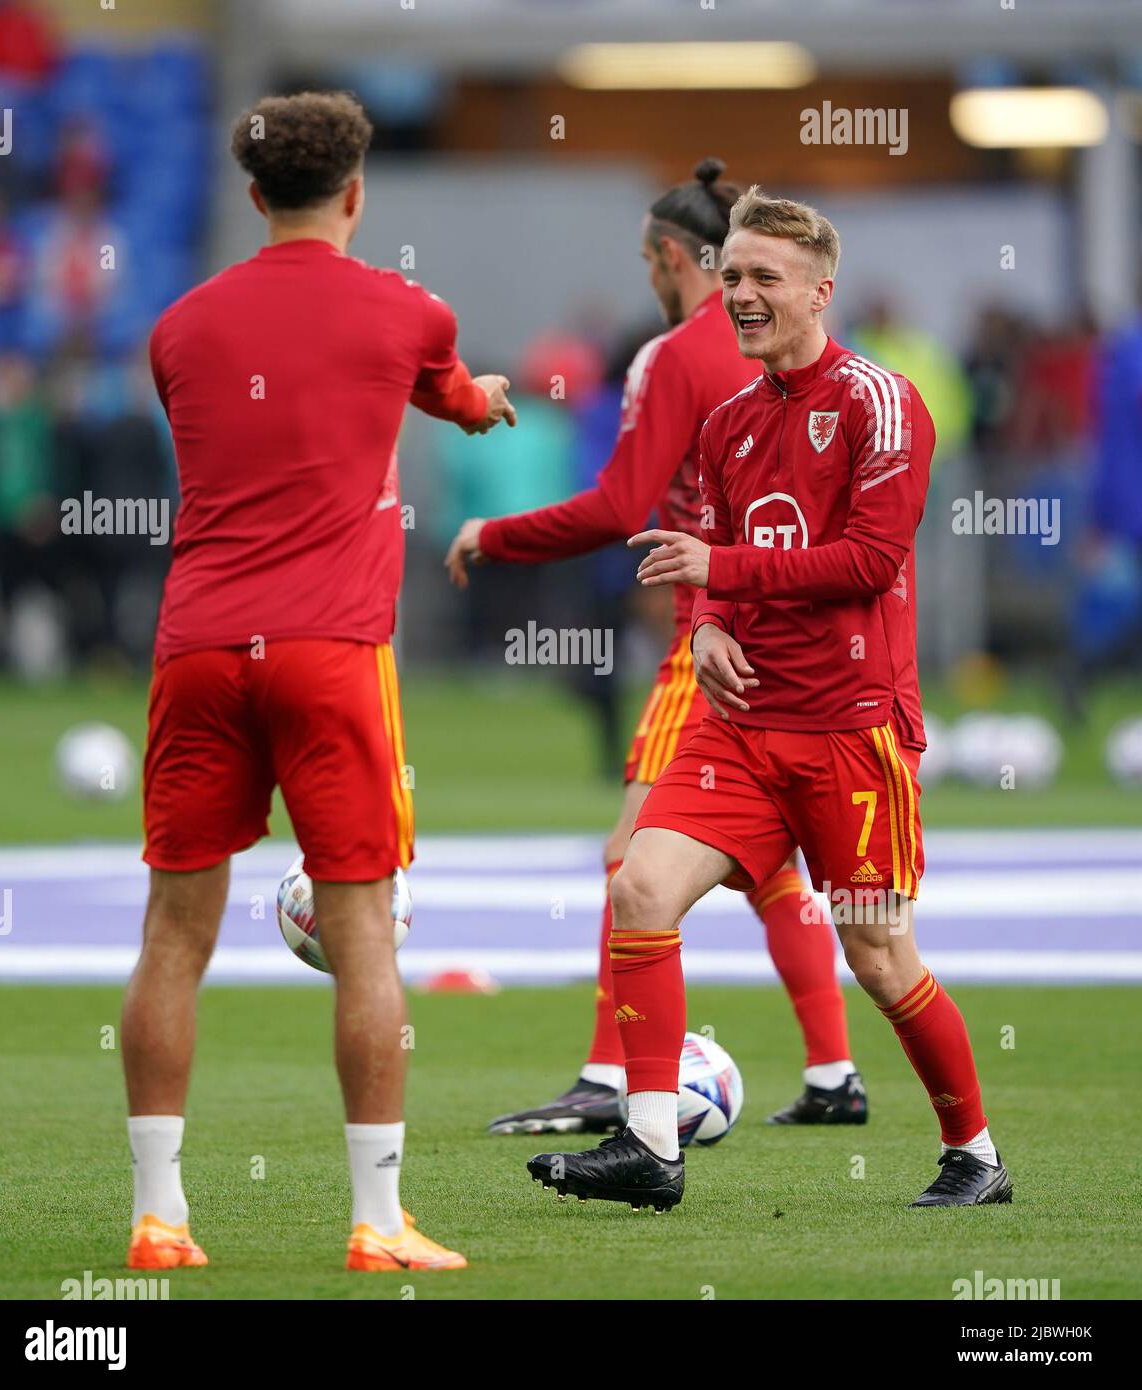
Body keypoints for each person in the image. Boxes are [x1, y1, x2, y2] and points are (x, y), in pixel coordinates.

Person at [527, 185, 1011, 1211]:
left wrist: (722, 573)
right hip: (741, 728)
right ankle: (651, 1149)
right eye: (733, 275)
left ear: (819, 291)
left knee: (879, 958)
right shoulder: (731, 422)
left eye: (764, 279)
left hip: (851, 735)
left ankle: (974, 1152)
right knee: (639, 887)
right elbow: (709, 564)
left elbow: (871, 562)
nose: (741, 295)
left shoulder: (880, 401)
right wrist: (704, 622)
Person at [124, 91, 515, 1274]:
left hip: (198, 646)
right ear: (357, 193)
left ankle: (158, 1218)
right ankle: (378, 1220)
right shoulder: (410, 312)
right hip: (332, 650)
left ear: (253, 196)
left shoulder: (181, 327)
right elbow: (457, 397)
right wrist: (489, 397)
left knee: (173, 935)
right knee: (363, 933)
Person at [447, 161, 867, 1137]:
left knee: (632, 857)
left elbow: (617, 506)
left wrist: (493, 534)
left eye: (649, 258)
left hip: (708, 640)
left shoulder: (675, 357)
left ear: (674, 256)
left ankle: (607, 1075)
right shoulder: (809, 354)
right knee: (766, 866)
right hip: (799, 640)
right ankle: (835, 1070)